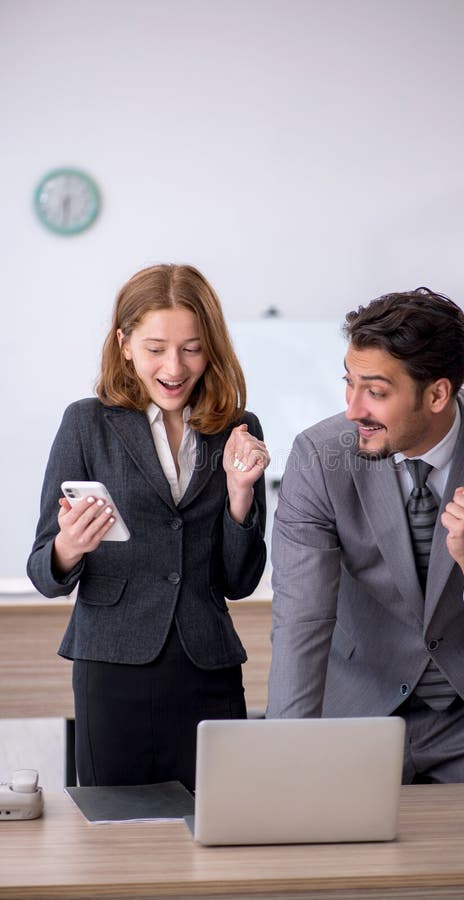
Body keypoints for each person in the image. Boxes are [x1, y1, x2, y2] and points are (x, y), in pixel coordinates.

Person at [267, 287, 464, 784]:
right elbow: (301, 620)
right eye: (350, 383)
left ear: (436, 394)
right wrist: (286, 757)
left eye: (376, 392)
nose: (353, 409)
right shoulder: (319, 458)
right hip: (361, 710)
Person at [28, 263, 270, 792]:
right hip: (112, 664)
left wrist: (239, 494)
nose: (175, 366)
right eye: (156, 347)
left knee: (219, 827)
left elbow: (239, 580)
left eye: (192, 348)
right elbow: (43, 570)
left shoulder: (238, 428)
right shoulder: (86, 423)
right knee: (115, 835)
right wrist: (69, 547)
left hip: (208, 665)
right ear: (125, 344)